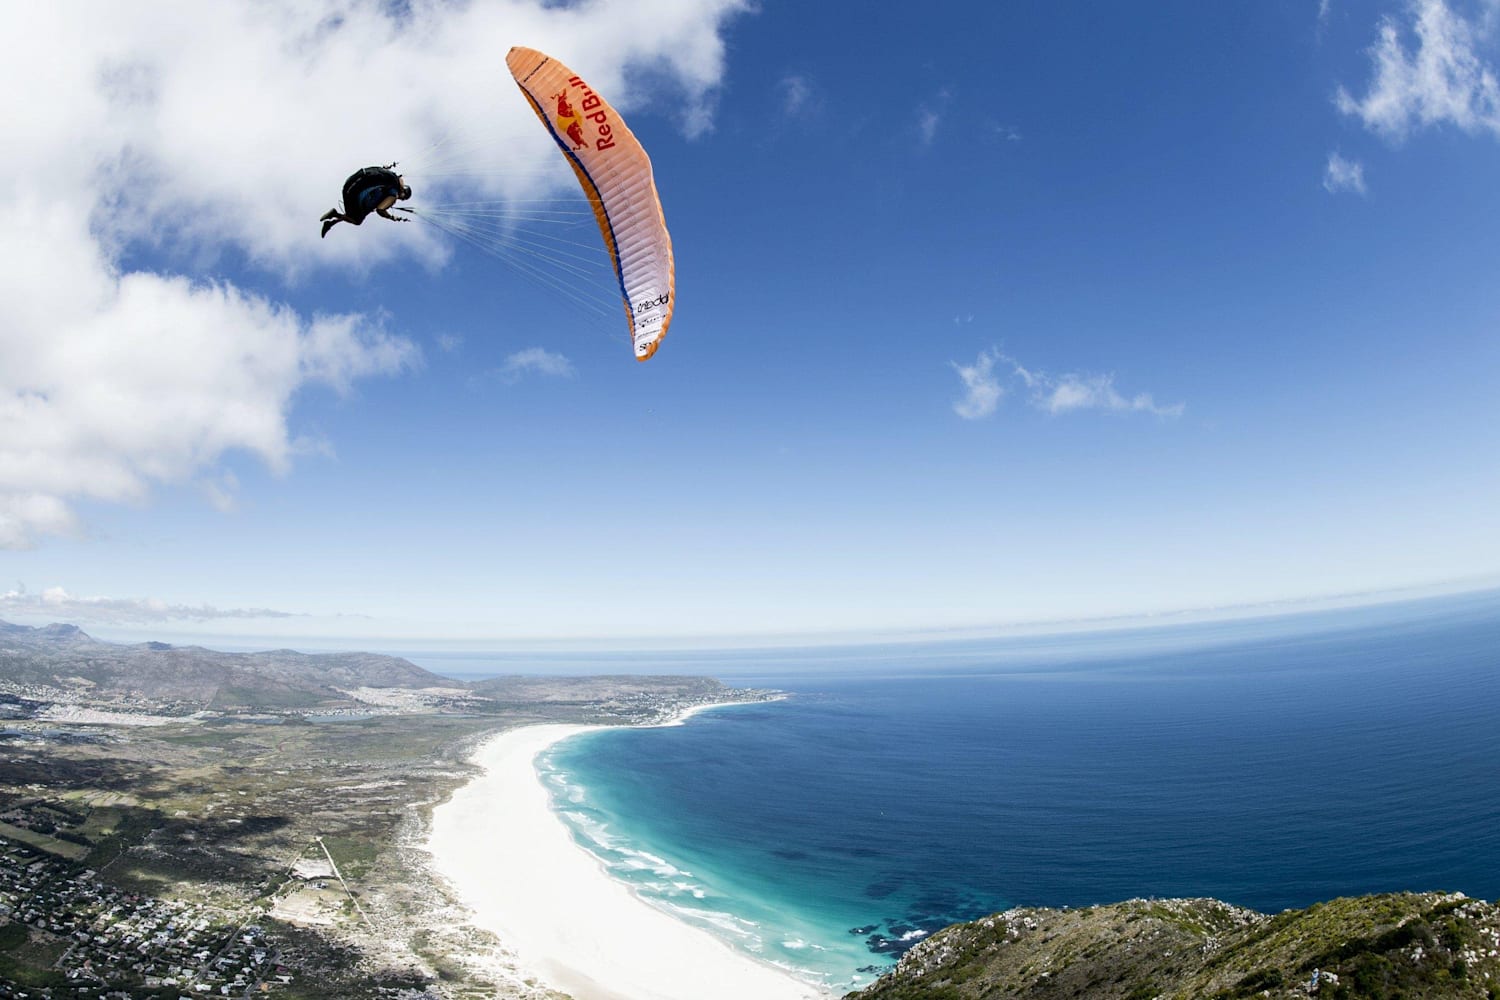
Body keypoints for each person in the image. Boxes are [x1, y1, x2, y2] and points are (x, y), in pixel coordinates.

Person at [320, 164, 412, 238]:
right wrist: (391, 217)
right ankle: (334, 214)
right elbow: (380, 210)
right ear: (403, 193)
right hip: (355, 191)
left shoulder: (392, 177)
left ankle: (330, 223)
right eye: (402, 198)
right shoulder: (394, 194)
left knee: (359, 213)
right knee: (357, 220)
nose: (400, 199)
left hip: (351, 182)